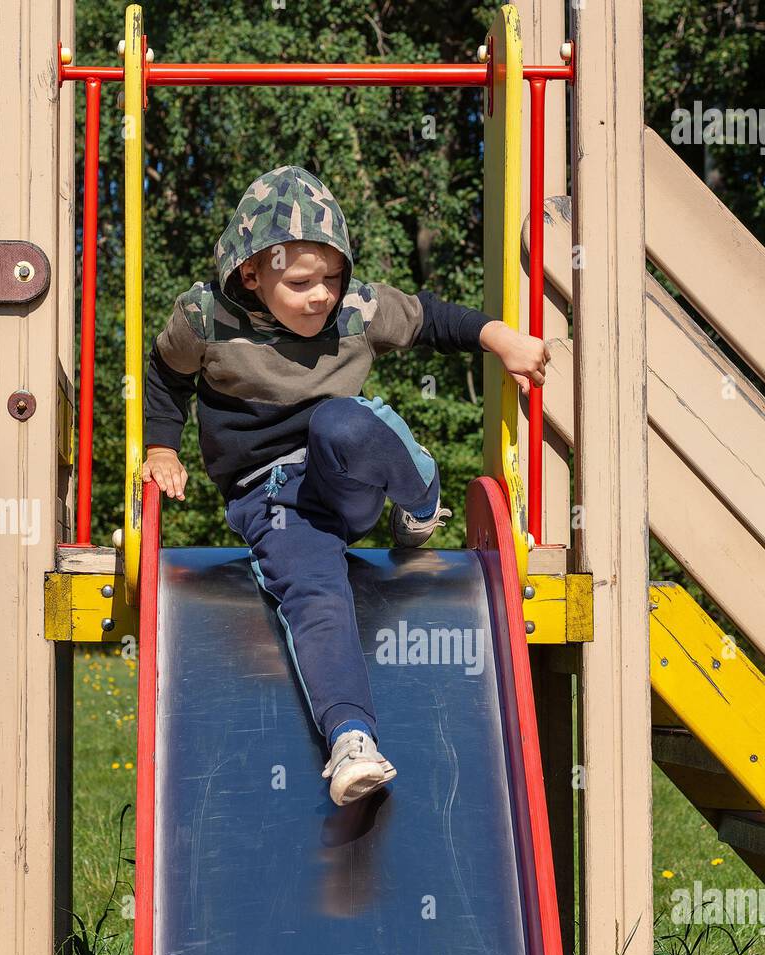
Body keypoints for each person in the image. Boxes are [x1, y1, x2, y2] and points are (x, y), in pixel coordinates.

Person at [143, 164, 550, 805]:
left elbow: (429, 320)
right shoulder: (206, 320)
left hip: (341, 472)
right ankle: (351, 740)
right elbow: (166, 376)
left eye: (331, 278)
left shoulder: (358, 309)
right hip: (271, 500)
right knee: (314, 595)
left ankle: (420, 501)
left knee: (343, 422)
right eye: (301, 282)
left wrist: (501, 338)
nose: (321, 296)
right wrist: (162, 448)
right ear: (252, 274)